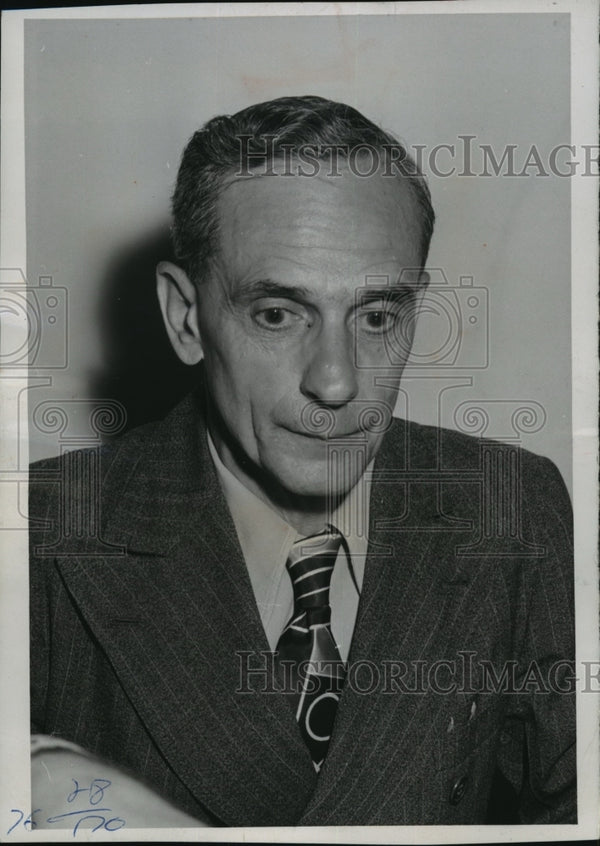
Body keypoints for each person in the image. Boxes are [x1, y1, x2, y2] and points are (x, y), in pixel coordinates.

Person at [29, 95, 575, 827]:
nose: (337, 381)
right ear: (186, 317)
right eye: (278, 314)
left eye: (377, 316)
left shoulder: (511, 505)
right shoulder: (40, 534)